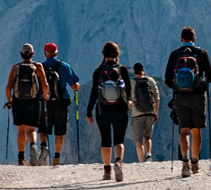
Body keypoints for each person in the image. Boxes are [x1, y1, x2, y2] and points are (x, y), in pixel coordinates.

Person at [165, 27, 211, 177]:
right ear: (194, 38)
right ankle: (195, 163)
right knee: (196, 130)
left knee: (184, 130)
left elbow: (167, 79)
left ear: (181, 39)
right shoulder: (201, 53)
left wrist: (178, 87)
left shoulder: (175, 54)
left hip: (180, 97)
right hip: (198, 96)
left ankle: (184, 163)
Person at [84, 42, 132, 181]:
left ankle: (106, 171)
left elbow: (94, 92)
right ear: (117, 54)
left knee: (105, 140)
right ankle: (118, 161)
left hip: (102, 109)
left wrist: (89, 111)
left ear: (103, 54)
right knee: (119, 139)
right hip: (120, 108)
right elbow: (128, 90)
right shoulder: (122, 70)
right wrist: (129, 101)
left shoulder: (98, 71)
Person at [4, 43, 50, 165]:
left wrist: (9, 101)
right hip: (34, 101)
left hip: (18, 102)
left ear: (20, 54)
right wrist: (46, 96)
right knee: (30, 130)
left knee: (21, 130)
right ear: (33, 54)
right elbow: (45, 85)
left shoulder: (16, 67)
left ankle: (21, 158)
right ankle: (33, 145)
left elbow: (8, 87)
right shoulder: (38, 66)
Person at [38, 42, 81, 165]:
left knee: (42, 130)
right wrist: (77, 87)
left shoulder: (39, 68)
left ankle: (44, 147)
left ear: (45, 53)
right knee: (59, 132)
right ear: (56, 52)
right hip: (61, 103)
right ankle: (56, 158)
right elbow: (73, 85)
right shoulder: (64, 66)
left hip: (45, 103)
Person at [130, 62, 160, 163]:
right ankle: (149, 155)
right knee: (147, 136)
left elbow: (130, 98)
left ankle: (141, 161)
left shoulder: (132, 82)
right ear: (143, 69)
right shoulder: (151, 81)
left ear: (134, 71)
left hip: (137, 114)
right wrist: (156, 112)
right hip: (150, 112)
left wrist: (132, 107)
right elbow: (157, 97)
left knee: (138, 140)